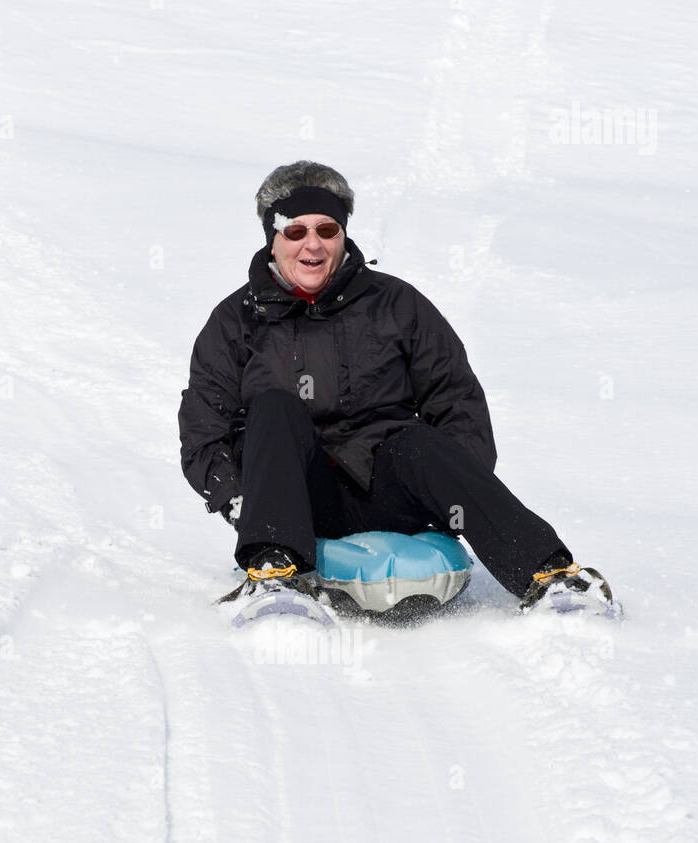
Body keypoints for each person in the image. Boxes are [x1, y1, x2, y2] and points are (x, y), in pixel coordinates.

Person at [178, 160, 615, 614]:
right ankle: (273, 573)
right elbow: (203, 430)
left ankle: (550, 577)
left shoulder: (396, 304)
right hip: (294, 502)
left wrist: (453, 500)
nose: (313, 244)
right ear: (273, 236)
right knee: (273, 409)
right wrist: (237, 499)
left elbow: (457, 402)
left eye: (327, 230)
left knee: (418, 441)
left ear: (343, 234)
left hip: (388, 492)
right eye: (296, 231)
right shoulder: (235, 321)